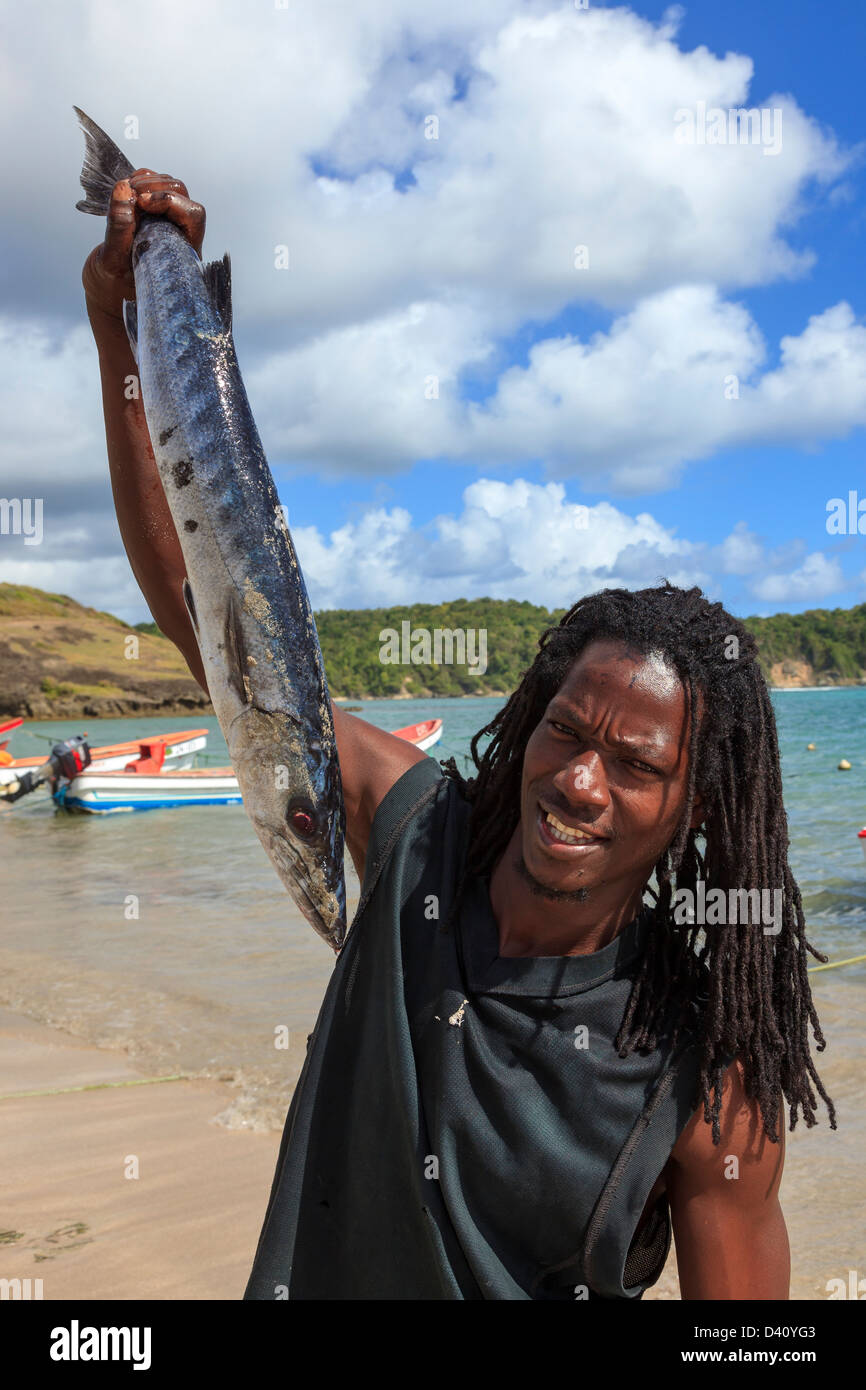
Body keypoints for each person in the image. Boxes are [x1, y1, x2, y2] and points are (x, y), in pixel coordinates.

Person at [83, 173, 836, 1301]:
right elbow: (210, 611)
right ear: (526, 725)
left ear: (697, 809)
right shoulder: (413, 838)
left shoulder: (706, 1072)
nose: (579, 780)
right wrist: (123, 326)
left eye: (635, 766)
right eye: (565, 732)